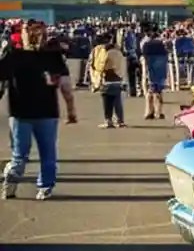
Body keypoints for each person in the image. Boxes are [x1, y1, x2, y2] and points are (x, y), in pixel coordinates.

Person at [0, 20, 76, 200]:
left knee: (19, 154)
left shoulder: (13, 55)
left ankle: (11, 180)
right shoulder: (54, 57)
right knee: (48, 153)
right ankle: (45, 187)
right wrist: (71, 110)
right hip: (47, 112)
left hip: (20, 112)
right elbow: (66, 87)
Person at [89, 34, 127, 128]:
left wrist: (96, 79)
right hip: (118, 79)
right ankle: (120, 120)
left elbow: (97, 65)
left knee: (107, 102)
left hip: (106, 80)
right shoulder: (118, 52)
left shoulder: (100, 51)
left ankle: (108, 121)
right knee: (117, 102)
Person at [140, 27, 168, 120]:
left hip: (150, 70)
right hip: (160, 71)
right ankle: (159, 112)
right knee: (159, 92)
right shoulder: (161, 45)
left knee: (150, 91)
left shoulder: (146, 44)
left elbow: (144, 56)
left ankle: (149, 111)